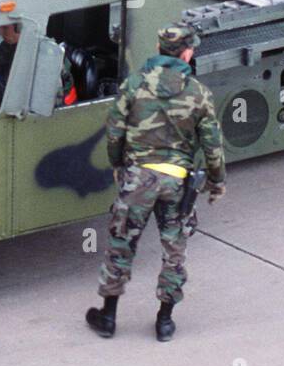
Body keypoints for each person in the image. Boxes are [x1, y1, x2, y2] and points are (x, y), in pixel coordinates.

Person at [86, 24, 226, 342]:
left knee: (122, 245)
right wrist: (216, 183)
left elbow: (113, 132)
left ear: (159, 48)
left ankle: (107, 316)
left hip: (138, 178)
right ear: (187, 54)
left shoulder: (134, 85)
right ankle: (164, 322)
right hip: (177, 182)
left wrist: (119, 165)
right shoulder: (199, 93)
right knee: (174, 250)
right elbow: (212, 146)